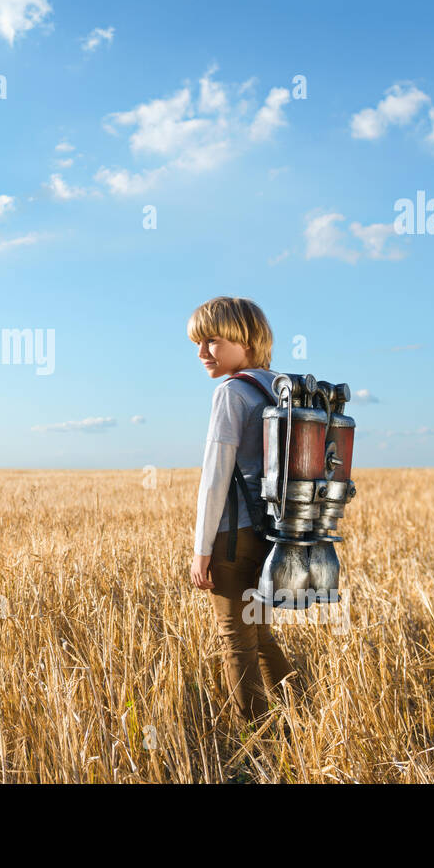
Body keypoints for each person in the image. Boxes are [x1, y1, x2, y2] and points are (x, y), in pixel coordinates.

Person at [187, 295, 296, 725]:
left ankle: (254, 740)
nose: (202, 352)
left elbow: (215, 477)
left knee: (236, 641)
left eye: (212, 341)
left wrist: (201, 551)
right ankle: (303, 716)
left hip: (233, 538)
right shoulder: (280, 388)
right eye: (198, 343)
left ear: (245, 341)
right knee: (260, 635)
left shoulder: (231, 392)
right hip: (271, 535)